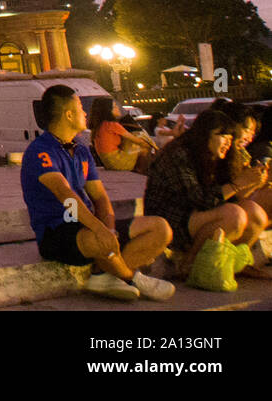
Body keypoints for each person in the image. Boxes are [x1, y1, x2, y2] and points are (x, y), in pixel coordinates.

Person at [20, 85, 174, 300]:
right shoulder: (40, 151)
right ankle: (132, 278)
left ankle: (103, 275)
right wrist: (99, 230)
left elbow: (99, 195)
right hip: (57, 230)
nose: (85, 113)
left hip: (89, 223)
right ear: (68, 114)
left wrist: (108, 226)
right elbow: (66, 197)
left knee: (161, 228)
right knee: (97, 239)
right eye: (80, 107)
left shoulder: (81, 149)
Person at [144, 108, 269, 277]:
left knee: (255, 213)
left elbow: (232, 196)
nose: (227, 141)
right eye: (222, 135)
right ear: (204, 135)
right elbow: (199, 199)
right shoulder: (179, 154)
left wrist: (253, 183)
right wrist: (238, 184)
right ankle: (190, 262)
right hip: (172, 220)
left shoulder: (223, 156)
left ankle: (236, 262)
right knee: (234, 215)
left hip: (199, 214)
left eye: (230, 137)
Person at [90, 98, 157, 174]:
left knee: (137, 141)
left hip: (108, 162)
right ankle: (143, 171)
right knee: (144, 147)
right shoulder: (111, 124)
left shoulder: (99, 125)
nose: (118, 108)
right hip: (117, 162)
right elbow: (136, 140)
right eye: (115, 106)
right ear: (108, 110)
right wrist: (150, 145)